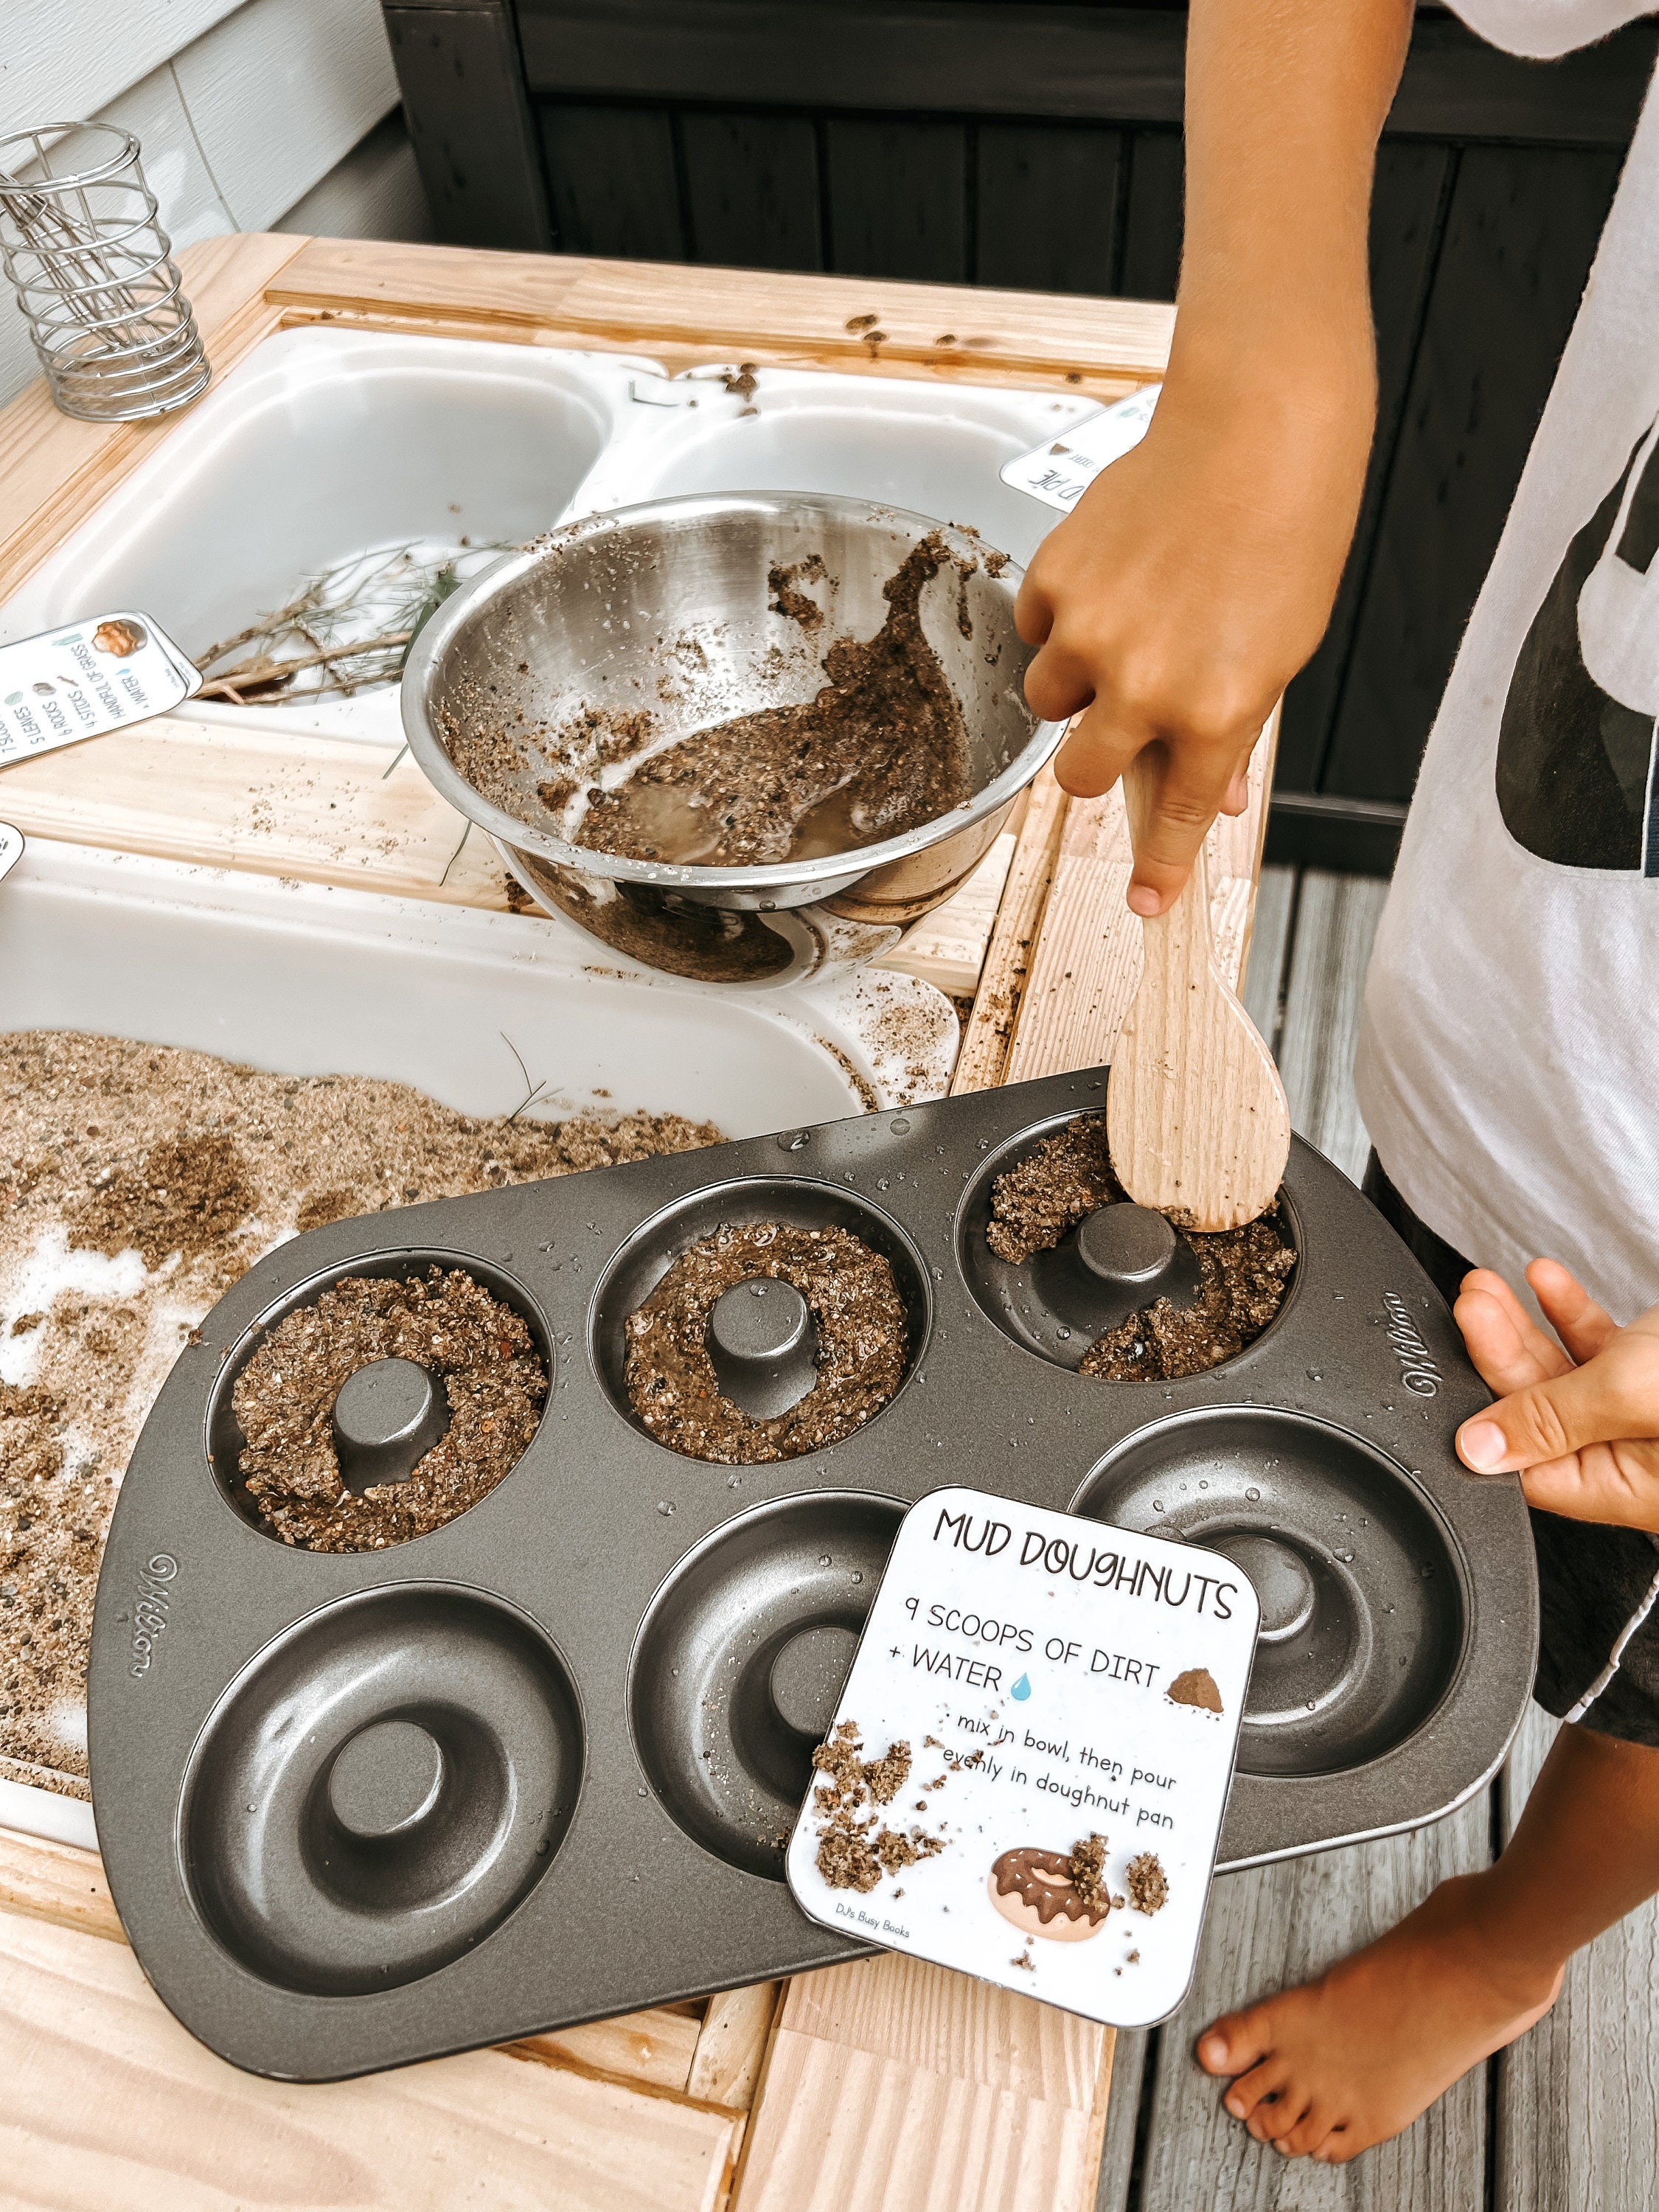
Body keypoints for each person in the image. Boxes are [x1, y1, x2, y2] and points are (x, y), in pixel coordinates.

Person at [1015, 0, 1659, 2166]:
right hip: (1519, 1041)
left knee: (1651, 1716)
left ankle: (1508, 1933)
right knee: (1400, 1460)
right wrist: (1261, 359)